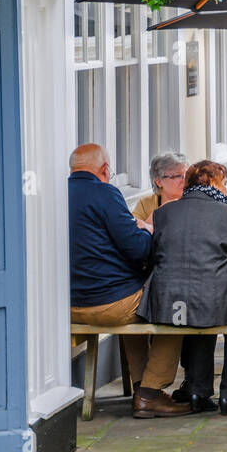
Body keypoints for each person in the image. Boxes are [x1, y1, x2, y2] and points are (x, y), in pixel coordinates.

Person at [68, 143, 189, 418]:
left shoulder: (58, 193)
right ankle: (150, 392)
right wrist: (148, 230)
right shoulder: (105, 194)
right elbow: (137, 248)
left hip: (68, 304)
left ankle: (141, 387)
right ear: (105, 169)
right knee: (176, 308)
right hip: (108, 305)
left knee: (137, 302)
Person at [138, 158, 227, 415]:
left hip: (168, 303)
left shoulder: (162, 214)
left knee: (198, 316)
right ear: (217, 184)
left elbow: (155, 258)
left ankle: (198, 391)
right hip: (213, 303)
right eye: (225, 183)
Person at [133, 152, 188, 224]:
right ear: (158, 182)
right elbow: (134, 232)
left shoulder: (196, 200)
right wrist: (157, 214)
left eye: (187, 174)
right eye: (177, 176)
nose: (184, 180)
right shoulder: (145, 204)